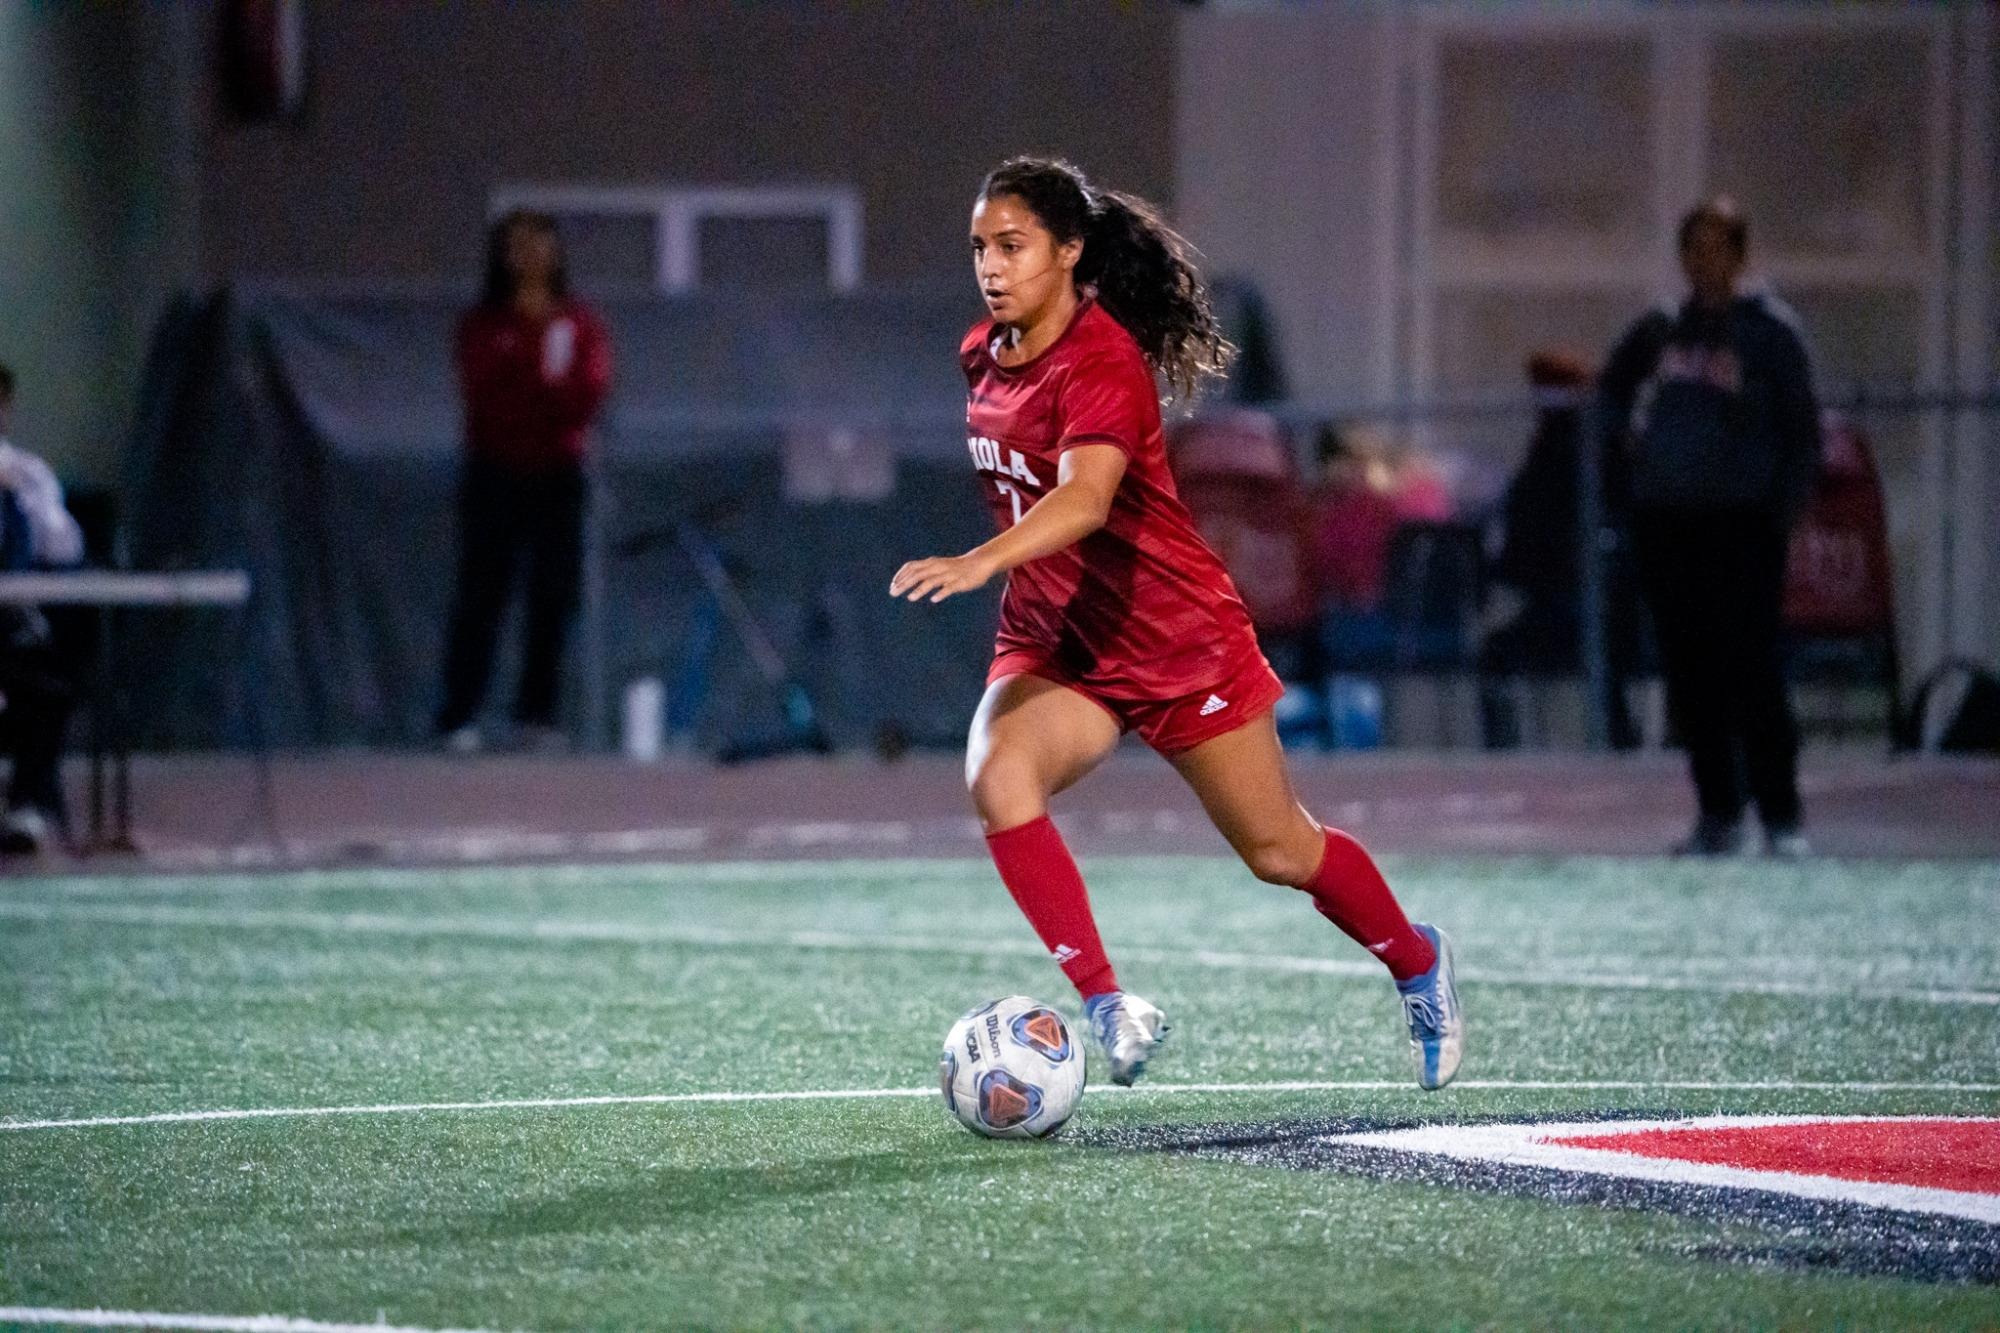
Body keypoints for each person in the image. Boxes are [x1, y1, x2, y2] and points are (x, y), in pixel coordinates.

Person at [888, 157, 1463, 1090]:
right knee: (998, 776)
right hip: (1060, 637)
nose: (991, 267)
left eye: (1013, 246)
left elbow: (1083, 500)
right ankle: (1110, 1003)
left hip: (1171, 637)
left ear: (1070, 251)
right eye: (979, 248)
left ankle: (1415, 958)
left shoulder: (1102, 358)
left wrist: (980, 561)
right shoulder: (979, 353)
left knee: (1280, 849)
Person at [1599, 198, 1823, 856]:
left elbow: (1801, 429)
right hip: (1671, 522)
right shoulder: (1664, 329)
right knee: (1690, 671)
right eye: (1693, 246)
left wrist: (1785, 504)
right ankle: (1718, 813)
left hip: (1744, 523)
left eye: (1717, 246)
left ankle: (1781, 815)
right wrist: (1634, 459)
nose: (1704, 260)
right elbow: (1612, 392)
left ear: (1740, 254)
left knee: (1751, 667)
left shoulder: (1770, 333)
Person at [434, 210, 612, 754]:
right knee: (482, 594)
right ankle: (458, 714)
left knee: (552, 595)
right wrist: (532, 366)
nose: (531, 257)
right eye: (519, 247)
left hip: (556, 474)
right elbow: (488, 396)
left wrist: (546, 392)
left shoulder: (577, 323)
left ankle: (536, 714)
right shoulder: (484, 326)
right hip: (495, 472)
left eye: (540, 246)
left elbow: (585, 394)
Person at [1479, 349, 1641, 750]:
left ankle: (1621, 745)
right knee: (1496, 655)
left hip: (1606, 609)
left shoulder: (1600, 451)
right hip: (1554, 603)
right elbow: (1523, 541)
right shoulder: (1548, 454)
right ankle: (1507, 755)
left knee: (1608, 662)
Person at [0, 361, 87, 854]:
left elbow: (65, 551)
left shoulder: (28, 474)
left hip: (10, 627)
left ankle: (27, 809)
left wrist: (25, 495)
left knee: (46, 683)